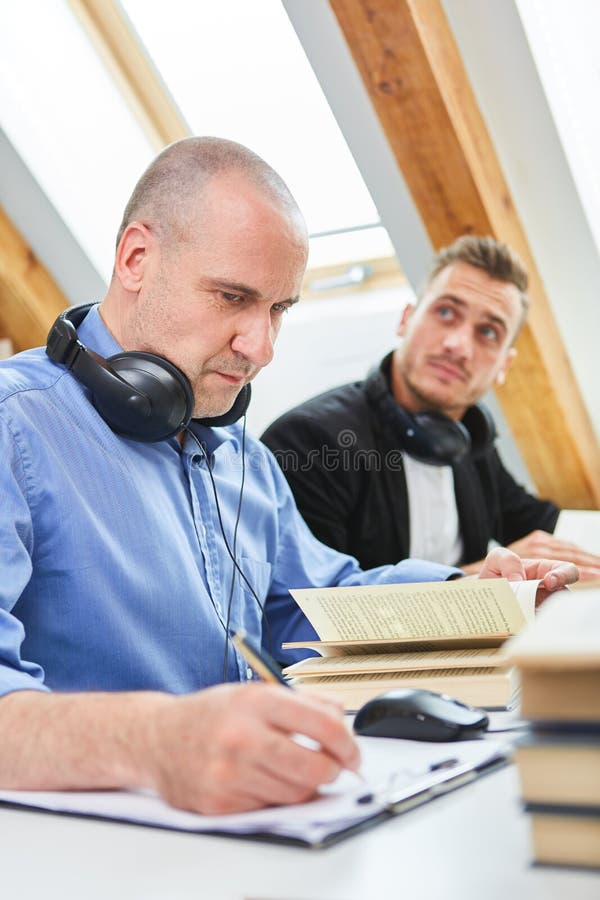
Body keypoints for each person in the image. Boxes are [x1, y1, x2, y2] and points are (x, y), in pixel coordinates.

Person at [0, 141, 577, 817]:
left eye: (278, 310)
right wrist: (155, 741)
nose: (262, 347)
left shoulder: (242, 458)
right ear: (136, 259)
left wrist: (476, 602)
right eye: (233, 297)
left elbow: (313, 606)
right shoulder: (16, 429)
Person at [262, 236, 600, 578]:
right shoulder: (308, 440)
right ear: (406, 319)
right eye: (445, 312)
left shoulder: (470, 438)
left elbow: (540, 526)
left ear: (504, 366)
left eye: (487, 332)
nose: (457, 345)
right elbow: (317, 605)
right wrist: (473, 578)